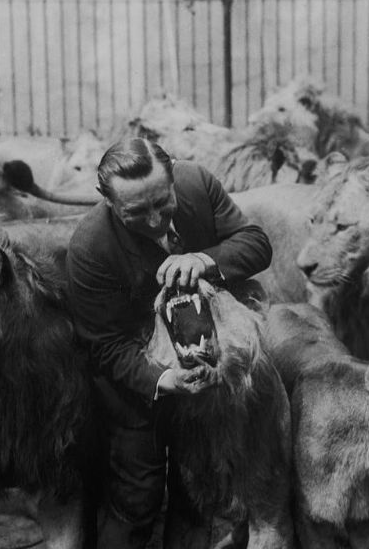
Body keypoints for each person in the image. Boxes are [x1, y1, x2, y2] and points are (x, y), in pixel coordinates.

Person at [66, 137, 272, 548]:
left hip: (204, 367)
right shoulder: (89, 248)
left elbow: (256, 243)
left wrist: (205, 260)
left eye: (163, 201)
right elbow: (105, 346)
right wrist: (162, 381)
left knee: (196, 489)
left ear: (173, 177)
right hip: (135, 382)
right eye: (137, 212)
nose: (158, 220)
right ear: (106, 200)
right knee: (136, 494)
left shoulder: (197, 182)